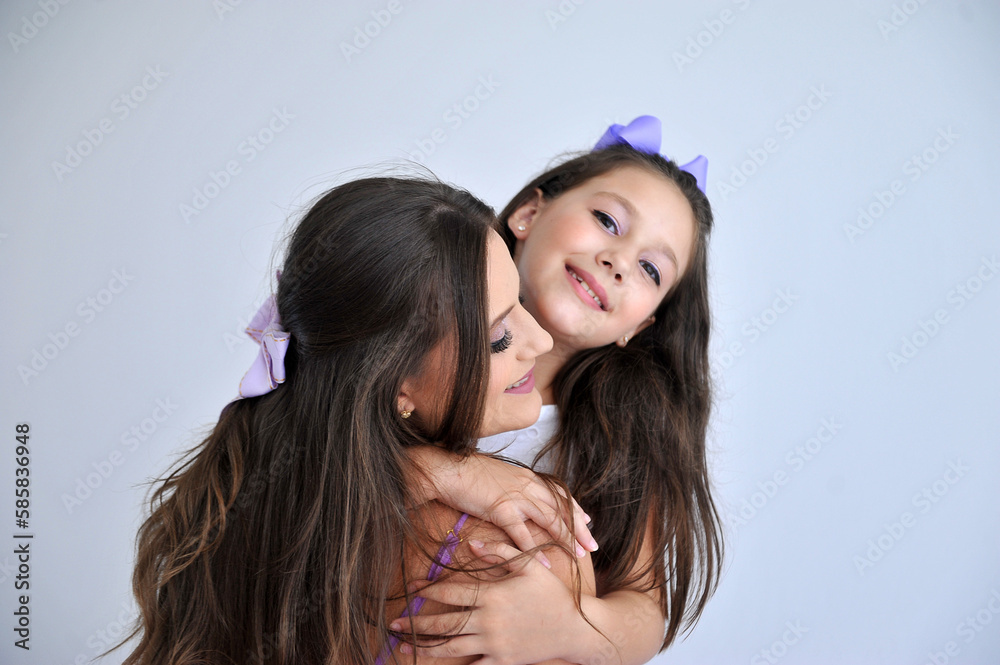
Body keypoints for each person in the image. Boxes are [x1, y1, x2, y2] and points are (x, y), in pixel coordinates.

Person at [118, 176, 596, 665]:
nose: (539, 340)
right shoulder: (525, 542)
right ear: (395, 385)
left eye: (519, 303)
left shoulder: (229, 499)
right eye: (498, 336)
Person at [392, 116, 725, 665]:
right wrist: (455, 472)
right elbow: (318, 442)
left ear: (639, 328)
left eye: (649, 268)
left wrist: (564, 629)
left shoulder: (622, 437)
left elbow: (644, 611)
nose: (619, 262)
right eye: (607, 221)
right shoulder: (422, 327)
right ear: (529, 213)